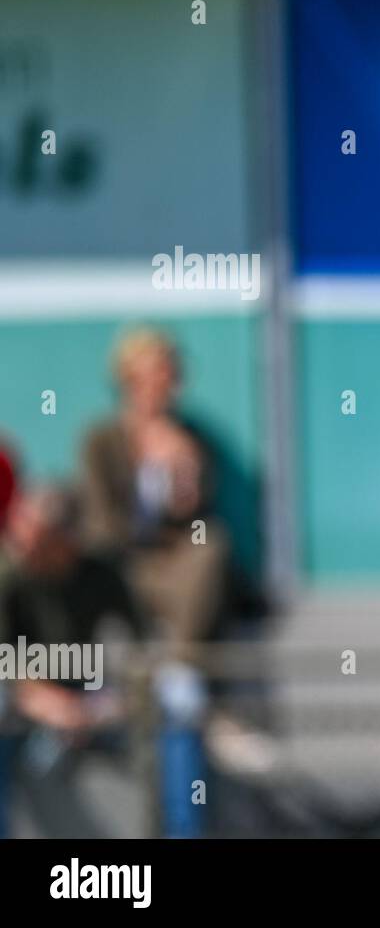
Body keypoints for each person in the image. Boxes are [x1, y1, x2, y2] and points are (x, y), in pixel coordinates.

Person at [78, 327, 234, 835]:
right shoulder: (102, 439)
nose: (166, 387)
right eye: (155, 376)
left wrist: (182, 484)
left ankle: (182, 667)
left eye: (172, 377)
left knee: (210, 546)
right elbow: (100, 525)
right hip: (122, 564)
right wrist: (145, 470)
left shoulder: (191, 440)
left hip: (173, 567)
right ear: (129, 379)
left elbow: (196, 520)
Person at [0, 485, 144, 837]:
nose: (22, 546)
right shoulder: (9, 575)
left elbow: (142, 650)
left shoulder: (100, 575)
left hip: (87, 699)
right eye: (18, 535)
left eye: (35, 539)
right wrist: (50, 704)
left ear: (66, 542)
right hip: (22, 703)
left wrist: (105, 705)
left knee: (173, 710)